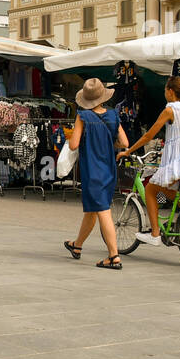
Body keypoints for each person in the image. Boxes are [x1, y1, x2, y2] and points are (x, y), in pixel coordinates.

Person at [118, 76, 180, 246]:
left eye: (165, 91)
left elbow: (149, 135)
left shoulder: (170, 110)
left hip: (177, 161)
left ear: (170, 91)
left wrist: (128, 151)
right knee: (169, 191)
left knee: (150, 191)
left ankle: (155, 234)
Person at [63, 78, 129, 270]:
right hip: (108, 169)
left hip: (92, 170)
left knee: (102, 210)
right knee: (92, 209)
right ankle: (77, 245)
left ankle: (113, 256)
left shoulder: (83, 116)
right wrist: (110, 144)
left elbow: (74, 144)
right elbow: (124, 142)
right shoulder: (113, 115)